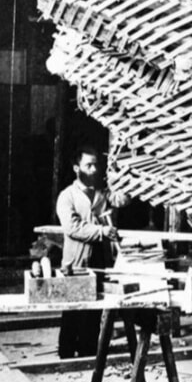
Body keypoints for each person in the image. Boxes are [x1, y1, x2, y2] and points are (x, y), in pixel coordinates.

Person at [56, 144, 120, 358]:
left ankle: (88, 353)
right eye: (89, 165)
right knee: (73, 309)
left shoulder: (102, 194)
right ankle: (66, 355)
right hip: (76, 262)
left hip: (99, 259)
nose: (94, 170)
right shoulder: (67, 196)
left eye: (96, 165)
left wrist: (124, 181)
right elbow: (72, 227)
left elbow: (121, 199)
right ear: (77, 168)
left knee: (95, 310)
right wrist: (101, 231)